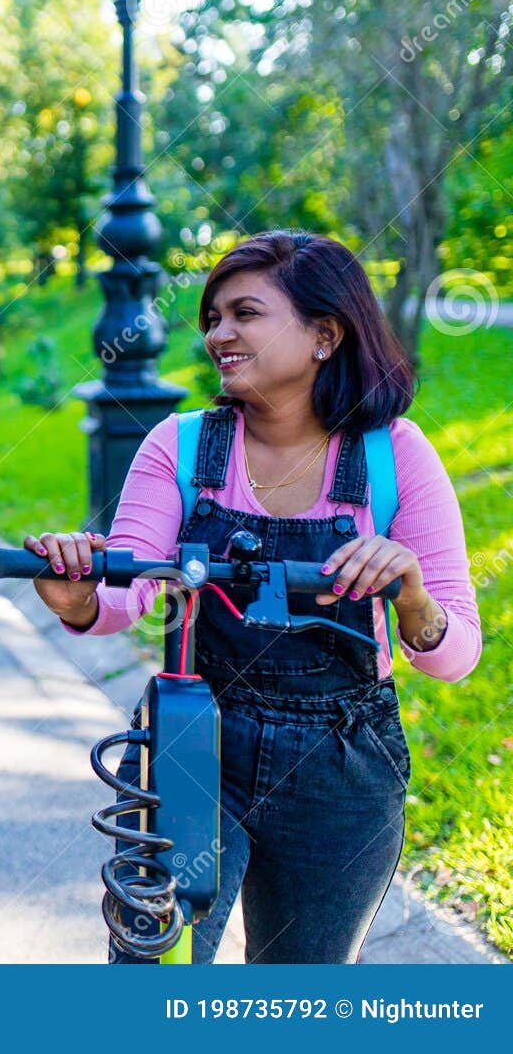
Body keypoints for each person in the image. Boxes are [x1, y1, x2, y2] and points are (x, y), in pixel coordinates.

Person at [25, 231, 482, 964]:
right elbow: (125, 589)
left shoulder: (393, 455)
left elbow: (454, 654)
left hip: (344, 763)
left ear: (325, 334)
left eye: (244, 313)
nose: (218, 334)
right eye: (212, 317)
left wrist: (412, 596)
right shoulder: (180, 448)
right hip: (197, 739)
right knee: (153, 967)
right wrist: (74, 595)